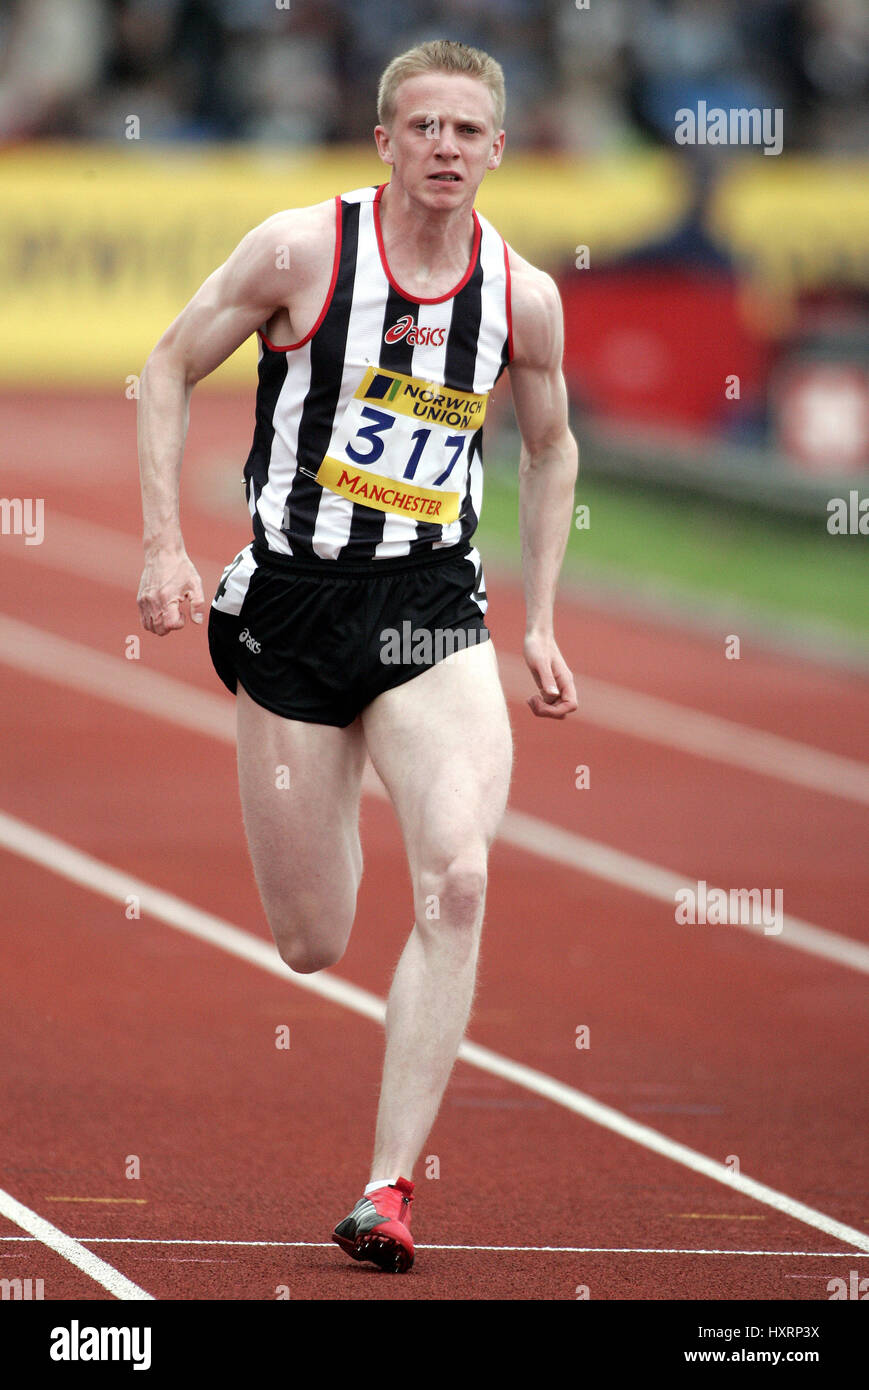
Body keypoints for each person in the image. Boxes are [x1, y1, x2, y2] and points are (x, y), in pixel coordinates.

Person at [136, 38, 578, 1274]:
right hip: (290, 605)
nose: (445, 147)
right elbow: (167, 365)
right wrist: (166, 546)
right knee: (314, 940)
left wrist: (538, 618)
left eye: (467, 130)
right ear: (383, 140)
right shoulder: (299, 251)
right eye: (422, 126)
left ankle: (384, 1191)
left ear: (497, 148)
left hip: (433, 606)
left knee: (460, 877)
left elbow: (551, 451)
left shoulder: (521, 297)